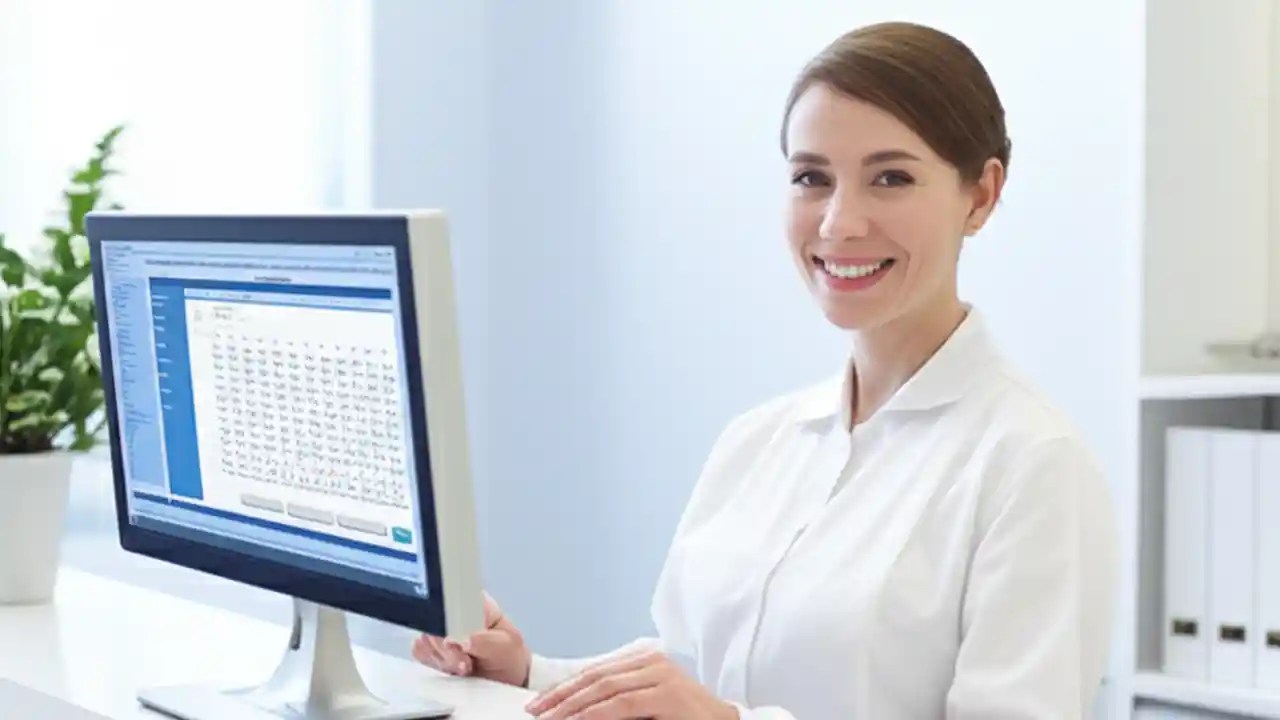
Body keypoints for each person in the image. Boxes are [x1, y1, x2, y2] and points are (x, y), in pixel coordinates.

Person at [413, 20, 1118, 720]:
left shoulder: (1031, 467)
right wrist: (527, 673)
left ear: (982, 195)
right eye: (812, 177)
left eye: (891, 178)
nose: (840, 223)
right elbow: (693, 676)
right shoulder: (759, 441)